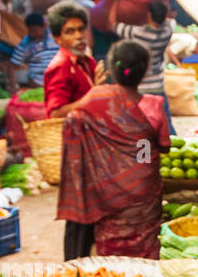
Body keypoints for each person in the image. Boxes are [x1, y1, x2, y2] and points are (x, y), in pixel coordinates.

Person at [57, 40, 170, 260]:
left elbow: (73, 120)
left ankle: (111, 273)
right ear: (145, 71)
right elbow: (164, 146)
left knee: (111, 247)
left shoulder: (95, 98)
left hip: (108, 194)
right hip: (144, 195)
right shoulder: (154, 105)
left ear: (111, 68)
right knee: (146, 246)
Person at [110, 0, 175, 127]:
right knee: (164, 122)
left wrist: (114, 1)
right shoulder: (168, 30)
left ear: (149, 14)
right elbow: (169, 19)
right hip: (158, 85)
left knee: (142, 124)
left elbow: (113, 24)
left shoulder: (138, 33)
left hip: (142, 86)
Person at [43, 1, 103, 118]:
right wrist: (93, 96)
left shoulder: (87, 61)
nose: (79, 36)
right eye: (70, 31)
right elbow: (55, 114)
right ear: (57, 39)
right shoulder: (61, 66)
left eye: (81, 29)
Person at [8, 12, 54, 88]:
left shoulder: (56, 37)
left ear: (44, 26)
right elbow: (12, 66)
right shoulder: (25, 44)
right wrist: (13, 87)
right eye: (29, 31)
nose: (31, 34)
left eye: (34, 31)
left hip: (58, 82)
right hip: (37, 84)